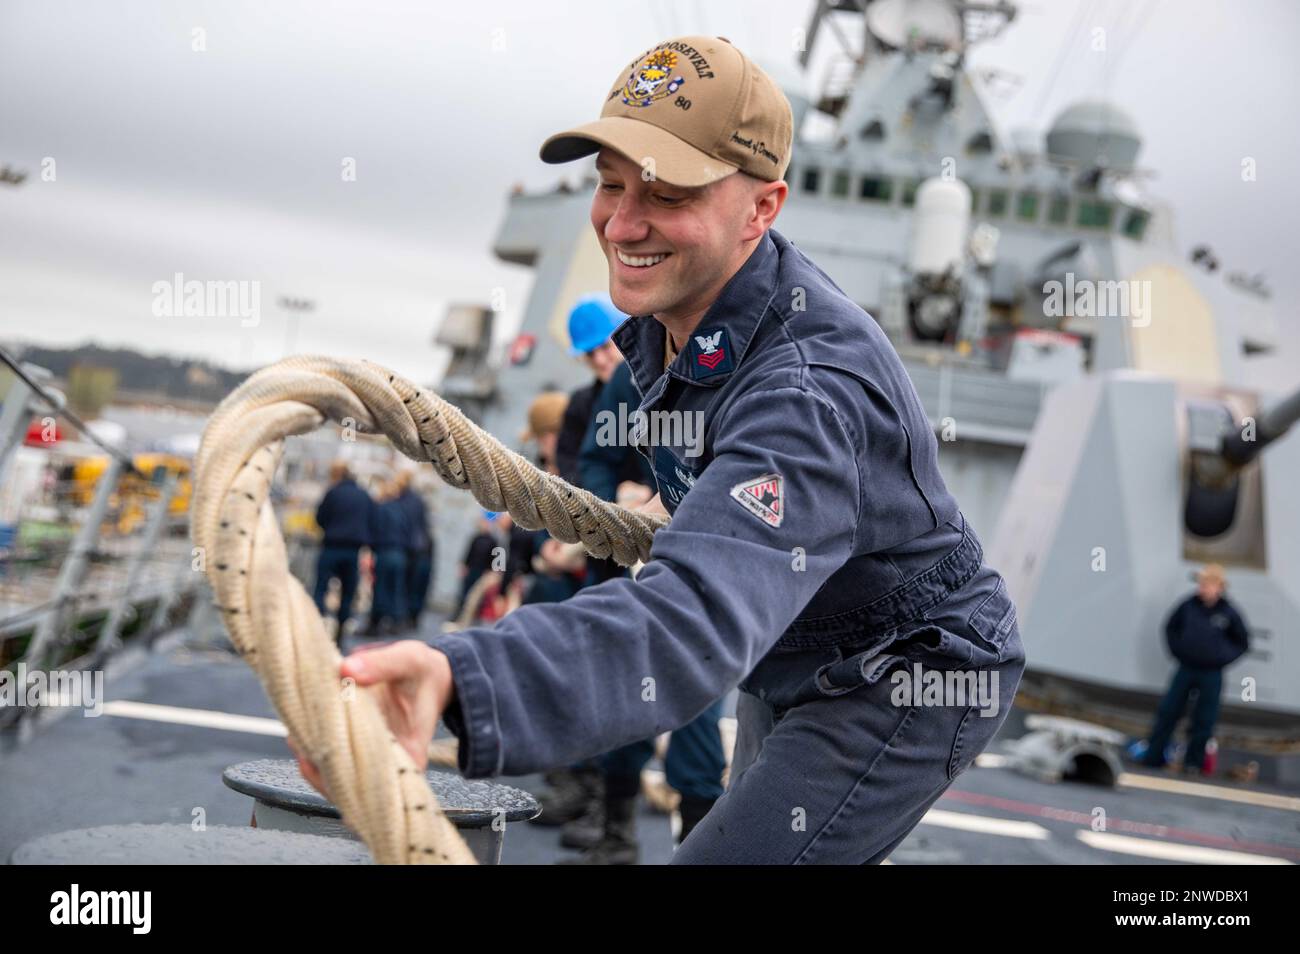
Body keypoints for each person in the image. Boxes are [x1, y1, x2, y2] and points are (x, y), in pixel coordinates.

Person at [298, 35, 1025, 864]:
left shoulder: (806, 393)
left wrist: (460, 680)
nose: (625, 221)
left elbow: (692, 615)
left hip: (901, 671)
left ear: (762, 208)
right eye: (611, 184)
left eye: (669, 192)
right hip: (790, 641)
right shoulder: (672, 317)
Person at [1141, 564, 1250, 774]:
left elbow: (1242, 642)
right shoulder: (1188, 606)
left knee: (1204, 718)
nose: (1202, 588)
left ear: (1219, 587)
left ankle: (1193, 763)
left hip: (1211, 673)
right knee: (1169, 711)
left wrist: (1221, 658)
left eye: (1207, 583)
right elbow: (1170, 628)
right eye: (1201, 583)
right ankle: (1153, 757)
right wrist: (1178, 651)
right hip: (1186, 667)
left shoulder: (1228, 612)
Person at [555, 294, 626, 487]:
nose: (600, 361)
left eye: (605, 347)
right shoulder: (581, 405)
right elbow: (569, 464)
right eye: (590, 354)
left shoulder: (663, 392)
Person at [310, 461, 371, 643]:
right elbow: (372, 521)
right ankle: (340, 631)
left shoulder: (333, 492)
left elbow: (320, 517)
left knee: (321, 587)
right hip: (353, 550)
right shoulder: (364, 496)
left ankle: (315, 627)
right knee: (348, 592)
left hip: (331, 546)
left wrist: (330, 528)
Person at [362, 477, 408, 637]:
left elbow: (375, 530)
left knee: (380, 589)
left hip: (384, 552)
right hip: (400, 553)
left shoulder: (381, 508)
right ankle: (395, 622)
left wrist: (371, 548)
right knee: (395, 589)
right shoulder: (402, 509)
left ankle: (375, 625)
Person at [393, 470, 434, 629]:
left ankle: (402, 618)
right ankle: (412, 617)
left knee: (405, 586)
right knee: (417, 587)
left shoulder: (404, 501)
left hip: (409, 549)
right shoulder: (418, 500)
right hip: (421, 548)